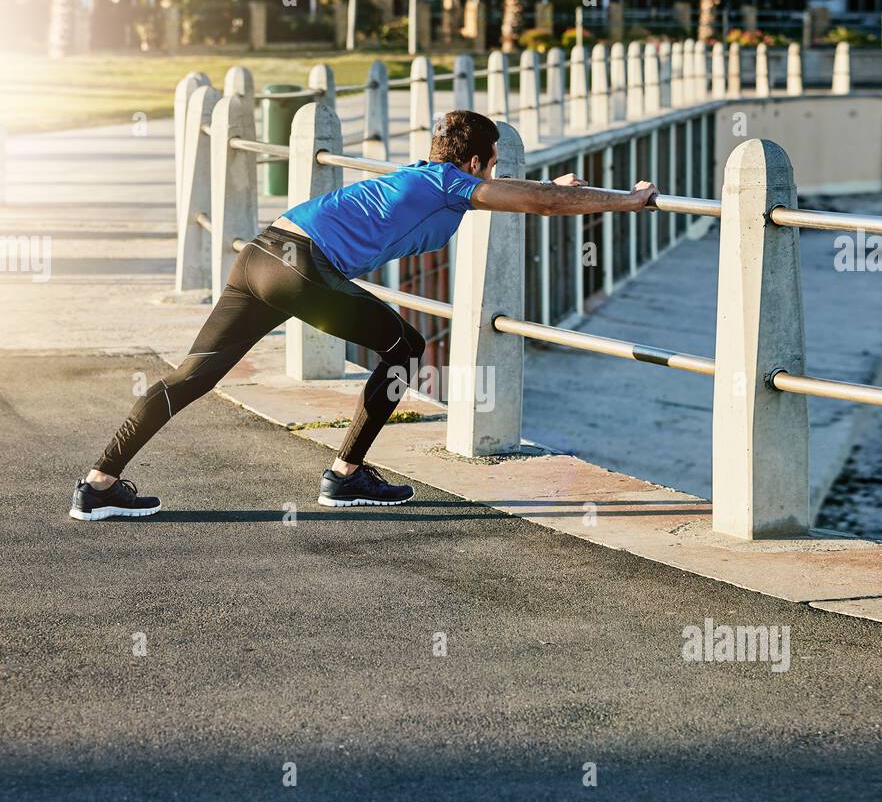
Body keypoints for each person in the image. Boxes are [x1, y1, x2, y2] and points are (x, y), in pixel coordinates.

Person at [70, 110, 657, 520]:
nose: (494, 175)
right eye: (493, 164)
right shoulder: (454, 184)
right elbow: (544, 203)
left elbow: (528, 193)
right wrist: (626, 200)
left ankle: (97, 485)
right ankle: (346, 475)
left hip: (261, 253)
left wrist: (546, 185)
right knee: (406, 347)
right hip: (301, 266)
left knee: (192, 376)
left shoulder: (427, 176)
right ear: (477, 161)